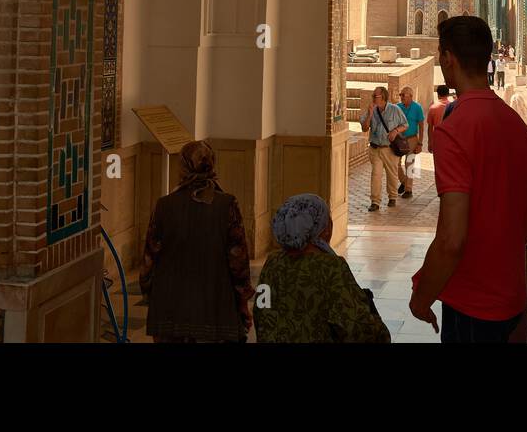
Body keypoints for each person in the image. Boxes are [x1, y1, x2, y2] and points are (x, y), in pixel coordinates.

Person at [409, 16, 527, 342]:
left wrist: (422, 298)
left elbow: (452, 239)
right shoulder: (514, 122)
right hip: (511, 296)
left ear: (448, 59)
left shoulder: (454, 130)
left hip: (471, 303)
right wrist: (502, 248)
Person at [140, 141, 253, 342]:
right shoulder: (226, 204)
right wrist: (242, 301)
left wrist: (149, 293)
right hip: (215, 304)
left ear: (183, 166)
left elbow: (149, 258)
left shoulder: (164, 205)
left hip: (170, 306)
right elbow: (238, 260)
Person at [255, 194, 390, 343]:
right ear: (323, 229)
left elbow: (261, 311)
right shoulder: (331, 267)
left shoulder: (272, 263)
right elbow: (358, 328)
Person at [360, 86, 406, 212]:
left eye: (375, 96)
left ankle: (392, 197)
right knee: (376, 175)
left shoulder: (395, 109)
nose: (373, 98)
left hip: (389, 149)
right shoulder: (371, 110)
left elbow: (405, 124)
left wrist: (395, 131)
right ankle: (375, 201)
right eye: (373, 96)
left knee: (392, 175)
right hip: (375, 148)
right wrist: (370, 114)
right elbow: (364, 128)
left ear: (383, 97)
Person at [396, 85, 425, 198]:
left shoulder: (417, 107)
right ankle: (404, 181)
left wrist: (420, 143)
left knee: (410, 164)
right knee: (396, 163)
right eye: (401, 95)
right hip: (399, 140)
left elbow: (421, 126)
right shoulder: (397, 107)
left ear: (411, 96)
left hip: (412, 139)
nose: (401, 97)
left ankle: (408, 190)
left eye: (404, 95)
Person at [426, 84, 450, 154]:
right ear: (448, 94)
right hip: (450, 140)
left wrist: (430, 142)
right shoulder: (454, 107)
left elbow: (430, 128)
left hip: (438, 141)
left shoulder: (433, 108)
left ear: (438, 94)